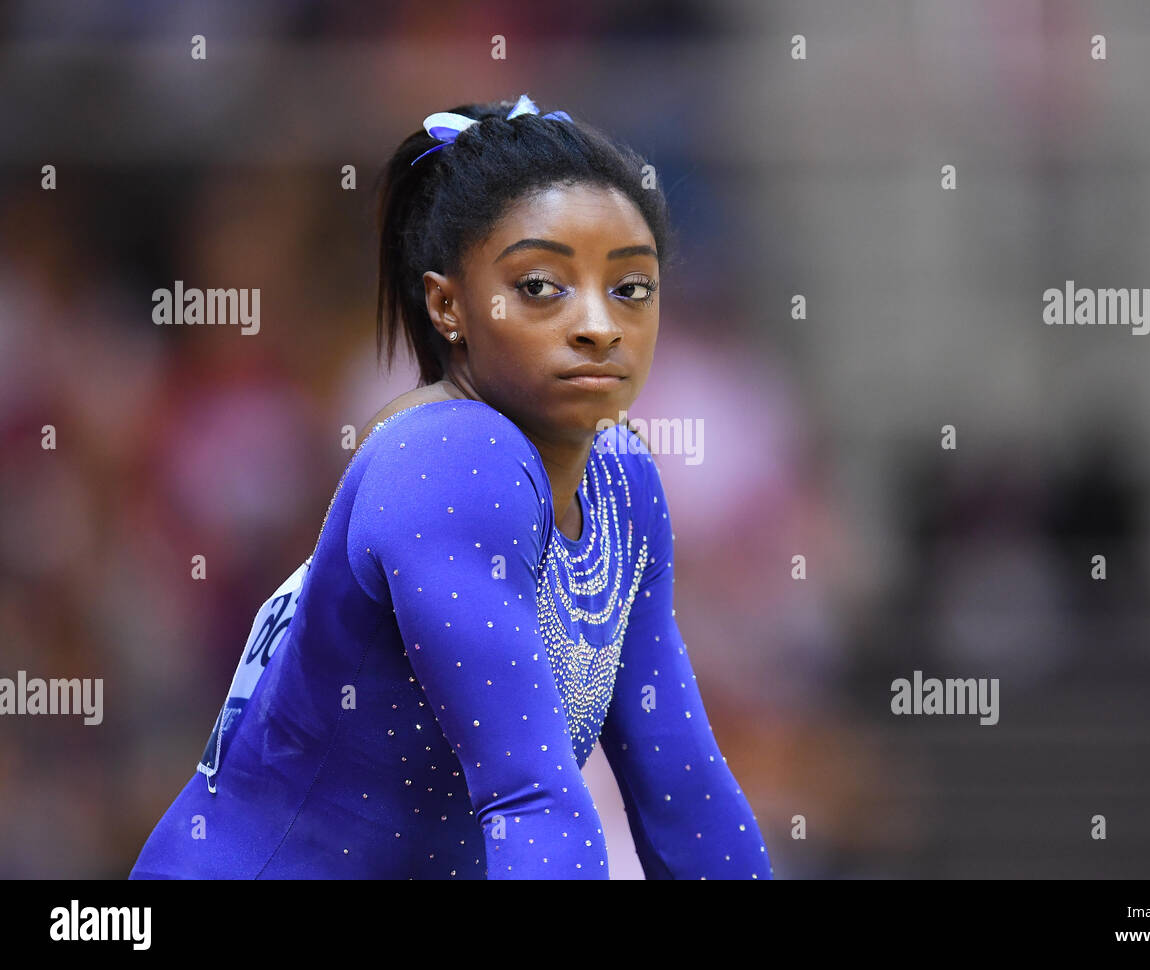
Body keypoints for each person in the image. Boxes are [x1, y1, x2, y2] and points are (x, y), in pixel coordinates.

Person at [129, 94, 774, 879]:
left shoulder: (621, 478)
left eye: (630, 287)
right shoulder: (444, 463)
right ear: (448, 305)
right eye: (542, 285)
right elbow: (533, 803)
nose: (600, 325)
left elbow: (686, 795)